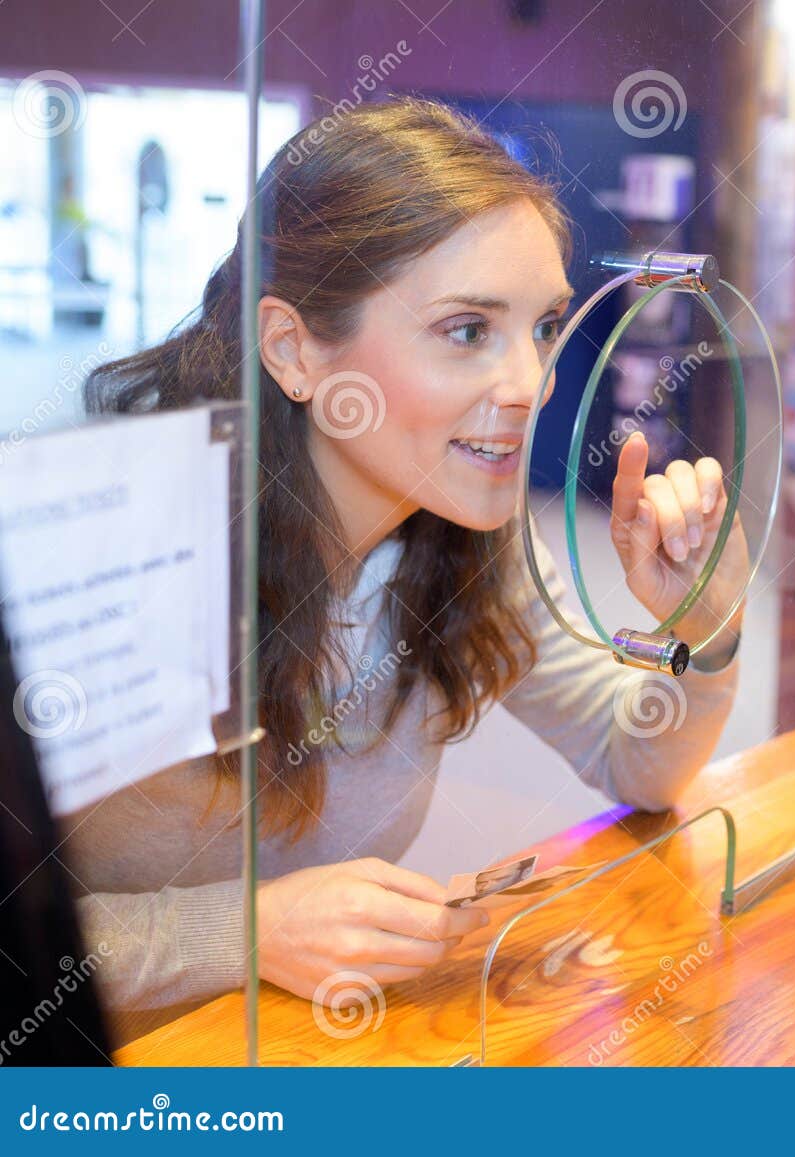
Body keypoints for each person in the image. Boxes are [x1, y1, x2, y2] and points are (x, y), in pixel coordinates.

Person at [75, 99, 746, 1034]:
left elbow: (635, 760)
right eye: (467, 329)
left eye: (543, 326)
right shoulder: (115, 553)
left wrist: (698, 635)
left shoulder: (467, 531)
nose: (529, 386)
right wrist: (245, 929)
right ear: (296, 350)